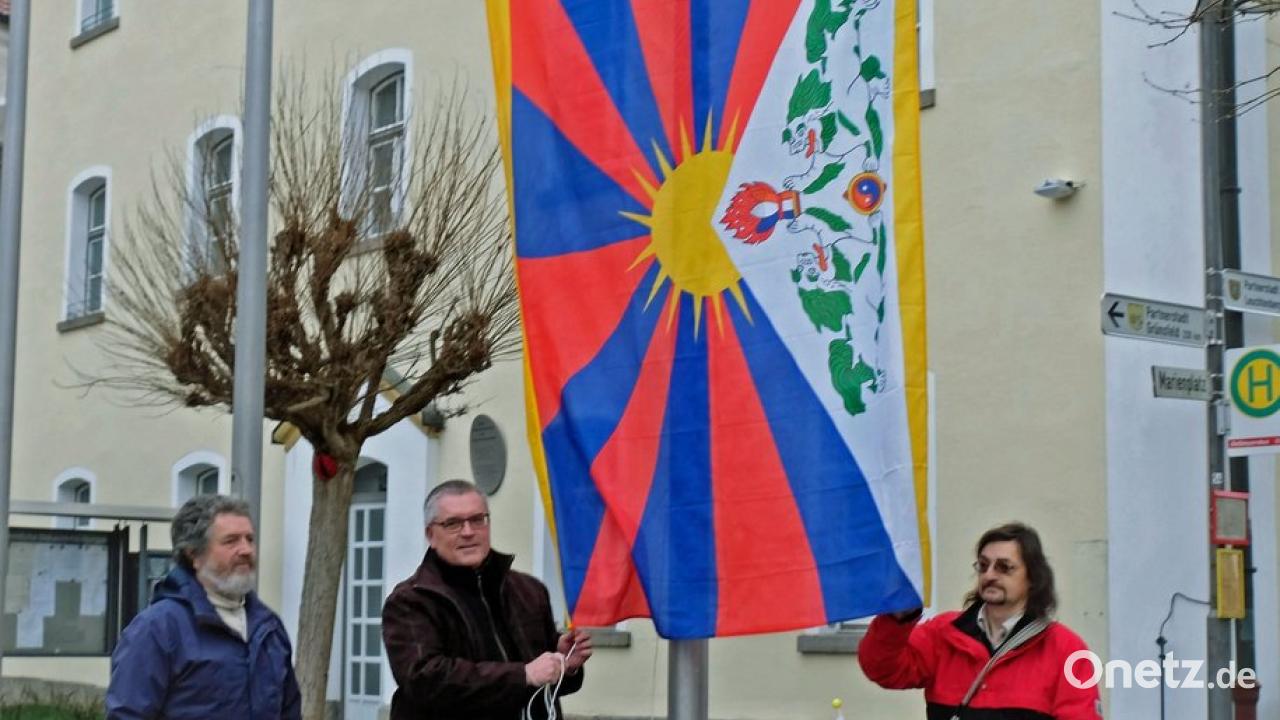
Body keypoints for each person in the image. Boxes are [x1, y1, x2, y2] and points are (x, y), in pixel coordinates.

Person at [382, 479, 593, 720]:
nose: (468, 532)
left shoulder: (529, 590)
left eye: (477, 519)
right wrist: (523, 675)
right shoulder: (411, 601)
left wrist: (566, 664)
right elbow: (425, 680)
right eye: (453, 523)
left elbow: (544, 685)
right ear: (430, 534)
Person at [858, 522, 1103, 720]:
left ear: (1033, 577)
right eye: (983, 566)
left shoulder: (1066, 649)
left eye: (1004, 567)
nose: (989, 575)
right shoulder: (944, 633)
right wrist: (898, 618)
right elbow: (883, 669)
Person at [106, 495, 301, 720]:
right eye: (231, 541)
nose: (246, 550)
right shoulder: (158, 629)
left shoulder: (269, 629)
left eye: (249, 539)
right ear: (194, 554)